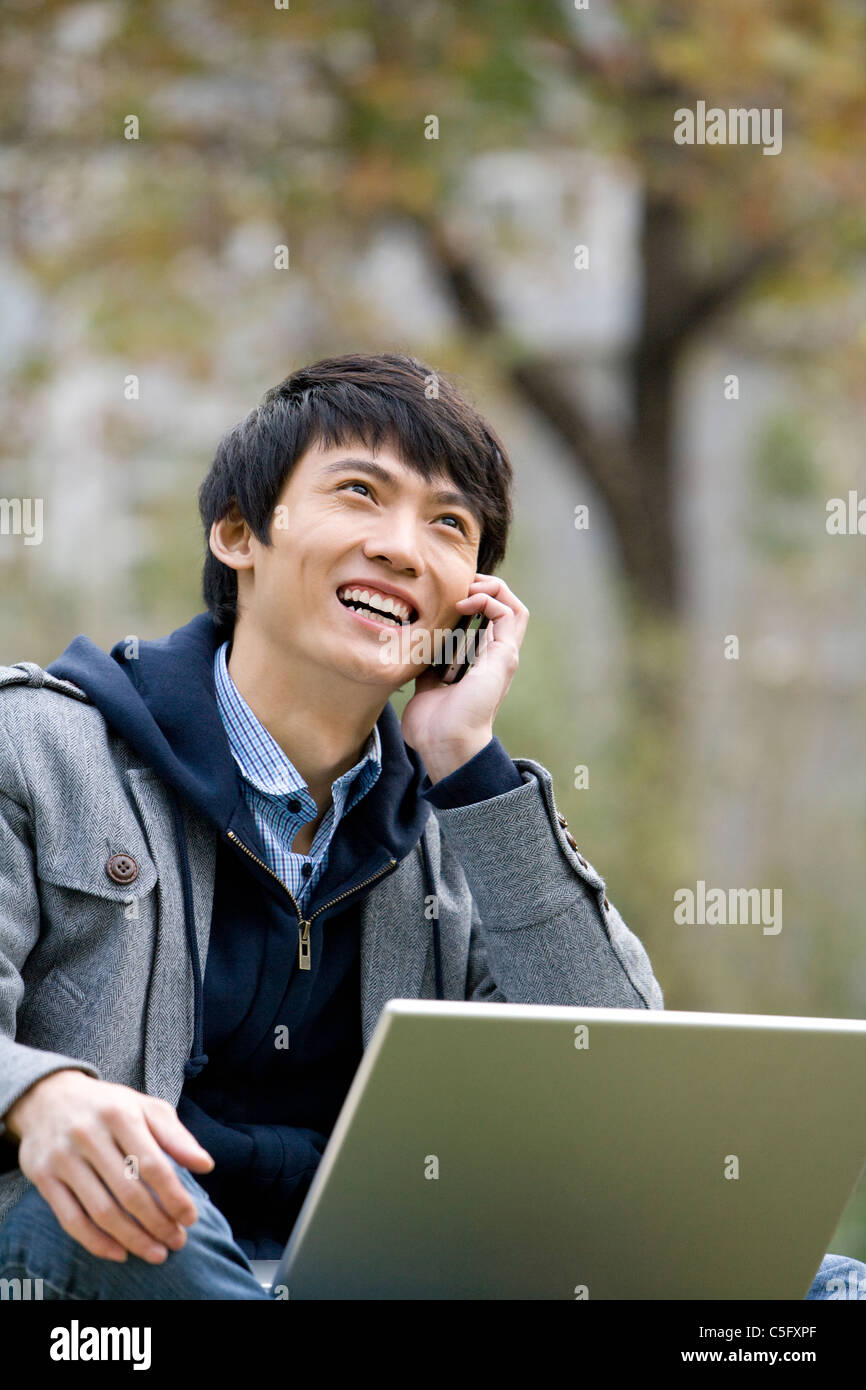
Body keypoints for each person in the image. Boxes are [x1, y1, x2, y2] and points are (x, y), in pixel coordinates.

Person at [0, 353, 860, 1301]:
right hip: (105, 1260)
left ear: (470, 607)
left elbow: (619, 1091)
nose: (404, 549)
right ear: (240, 532)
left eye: (449, 525)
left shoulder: (465, 830)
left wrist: (472, 766)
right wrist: (38, 1094)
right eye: (359, 494)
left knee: (819, 1290)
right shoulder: (39, 752)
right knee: (129, 1210)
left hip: (382, 1276)